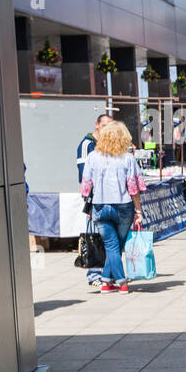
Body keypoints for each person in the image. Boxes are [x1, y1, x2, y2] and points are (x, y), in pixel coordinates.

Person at [80, 119, 147, 295]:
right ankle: (122, 281)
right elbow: (133, 188)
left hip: (100, 206)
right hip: (123, 206)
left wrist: (87, 206)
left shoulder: (92, 157)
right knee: (116, 246)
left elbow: (85, 185)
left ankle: (106, 281)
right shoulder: (127, 158)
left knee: (112, 246)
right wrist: (138, 210)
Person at [79, 114, 115, 286]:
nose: (107, 128)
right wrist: (89, 202)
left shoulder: (108, 145)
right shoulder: (88, 145)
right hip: (95, 200)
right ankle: (94, 275)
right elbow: (84, 175)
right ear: (97, 125)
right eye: (104, 125)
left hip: (109, 198)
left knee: (107, 237)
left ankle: (107, 273)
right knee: (95, 237)